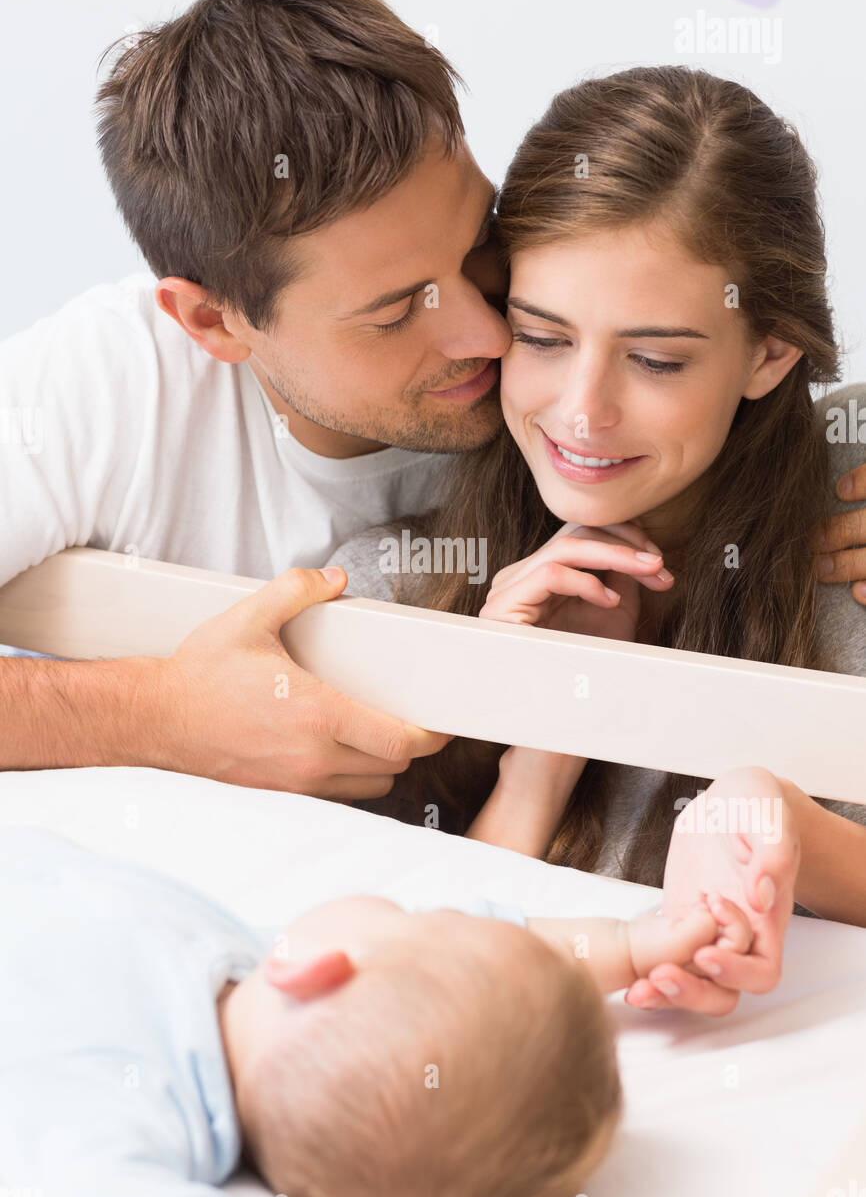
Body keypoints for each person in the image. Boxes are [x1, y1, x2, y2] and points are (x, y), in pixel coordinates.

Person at [0, 0, 863, 796]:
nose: (486, 332)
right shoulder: (104, 390)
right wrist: (161, 716)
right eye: (393, 312)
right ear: (214, 322)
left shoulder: (577, 393)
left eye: (480, 252)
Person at [326, 66, 866, 1014]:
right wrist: (540, 747)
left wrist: (785, 827)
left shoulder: (845, 562)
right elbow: (401, 996)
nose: (582, 414)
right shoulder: (392, 593)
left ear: (771, 353)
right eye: (541, 337)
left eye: (655, 359)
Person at [0, 823, 759, 1197]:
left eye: (408, 913)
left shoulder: (117, 1108)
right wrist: (626, 946)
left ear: (318, 968)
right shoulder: (255, 984)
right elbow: (502, 953)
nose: (438, 909)